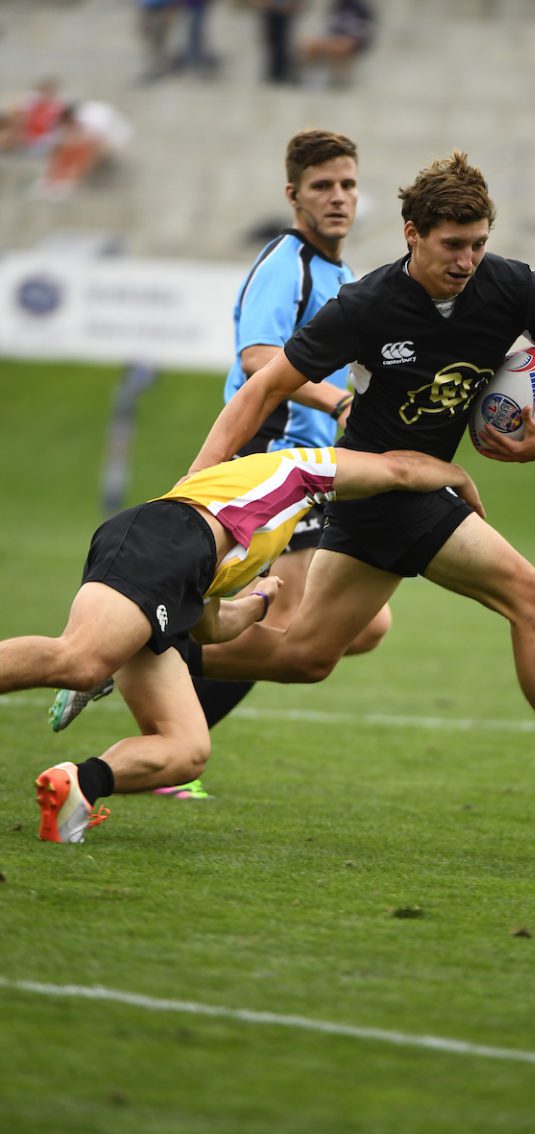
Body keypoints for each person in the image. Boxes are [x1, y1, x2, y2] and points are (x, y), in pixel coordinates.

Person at [175, 150, 535, 830]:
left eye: (478, 244)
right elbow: (263, 383)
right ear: (412, 233)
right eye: (452, 245)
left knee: (307, 655)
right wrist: (198, 483)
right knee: (533, 598)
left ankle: (148, 646)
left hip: (387, 501)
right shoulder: (366, 305)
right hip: (382, 487)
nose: (466, 259)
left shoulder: (512, 287)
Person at [49, 129, 393, 800]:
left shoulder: (343, 277)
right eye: (322, 186)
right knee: (302, 635)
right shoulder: (284, 264)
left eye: (348, 184)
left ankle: (148, 654)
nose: (338, 198)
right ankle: (142, 667)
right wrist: (335, 401)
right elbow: (259, 359)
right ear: (293, 195)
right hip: (266, 465)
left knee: (356, 629)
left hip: (313, 477)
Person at [0, 445, 483, 844]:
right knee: (81, 661)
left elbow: (208, 627)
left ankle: (76, 786)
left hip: (181, 575)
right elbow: (399, 468)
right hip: (161, 541)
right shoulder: (298, 470)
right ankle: (104, 665)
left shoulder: (270, 538)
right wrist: (458, 477)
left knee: (186, 751)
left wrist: (257, 603)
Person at [297, 0, 375, 89]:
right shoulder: (337, 5)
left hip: (353, 40)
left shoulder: (362, 8)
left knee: (341, 47)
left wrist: (353, 39)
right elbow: (329, 25)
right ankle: (310, 76)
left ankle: (337, 80)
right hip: (335, 38)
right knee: (311, 45)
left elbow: (367, 29)